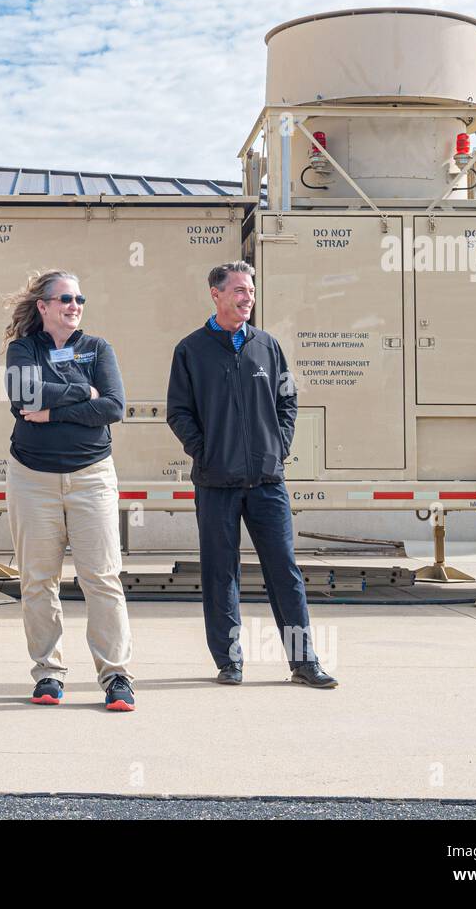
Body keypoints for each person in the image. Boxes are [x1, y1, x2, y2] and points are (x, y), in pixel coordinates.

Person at [166, 260, 337, 688]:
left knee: (285, 572)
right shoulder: (191, 350)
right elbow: (178, 412)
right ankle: (229, 661)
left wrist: (277, 447)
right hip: (215, 482)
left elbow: (288, 402)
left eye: (252, 290)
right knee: (220, 573)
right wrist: (205, 453)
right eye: (240, 290)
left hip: (267, 482)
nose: (248, 298)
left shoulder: (268, 347)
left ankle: (303, 662)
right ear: (217, 294)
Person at [3, 270, 135, 711]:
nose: (74, 305)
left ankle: (116, 676)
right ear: (43, 306)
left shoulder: (98, 348)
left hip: (91, 476)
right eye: (65, 298)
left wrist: (52, 412)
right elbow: (21, 396)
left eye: (80, 297)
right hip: (32, 479)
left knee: (102, 578)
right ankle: (48, 674)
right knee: (38, 580)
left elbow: (113, 406)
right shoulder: (23, 348)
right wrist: (83, 391)